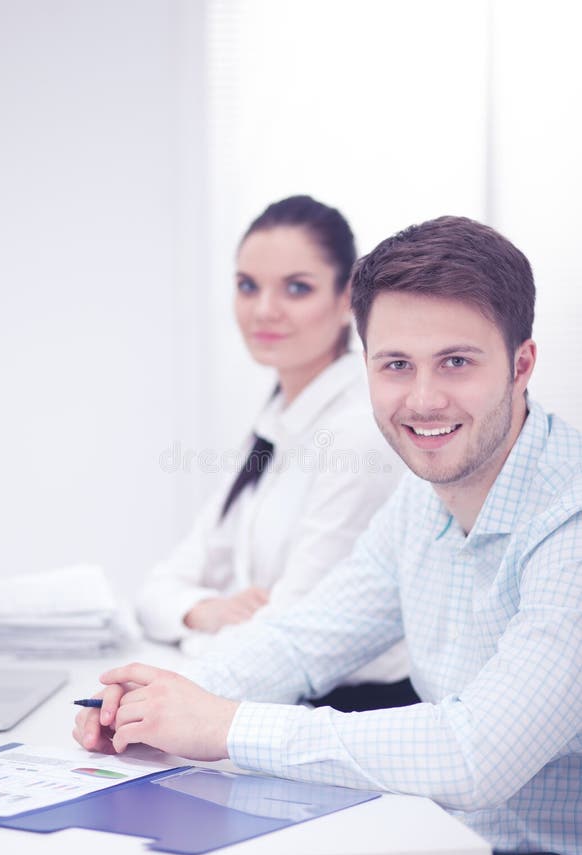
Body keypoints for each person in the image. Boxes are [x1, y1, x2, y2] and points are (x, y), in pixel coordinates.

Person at [74, 216, 582, 855]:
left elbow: (475, 754)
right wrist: (150, 704)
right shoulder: (422, 501)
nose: (424, 399)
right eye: (396, 365)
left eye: (456, 362)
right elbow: (302, 641)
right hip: (441, 842)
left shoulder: (569, 517)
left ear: (521, 365)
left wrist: (222, 723)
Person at [137, 195, 411, 708]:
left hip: (346, 712)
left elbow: (293, 628)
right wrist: (203, 611)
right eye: (248, 286)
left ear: (346, 297)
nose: (265, 310)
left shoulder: (360, 429)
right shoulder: (275, 424)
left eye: (297, 288)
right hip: (265, 693)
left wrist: (194, 636)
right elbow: (157, 588)